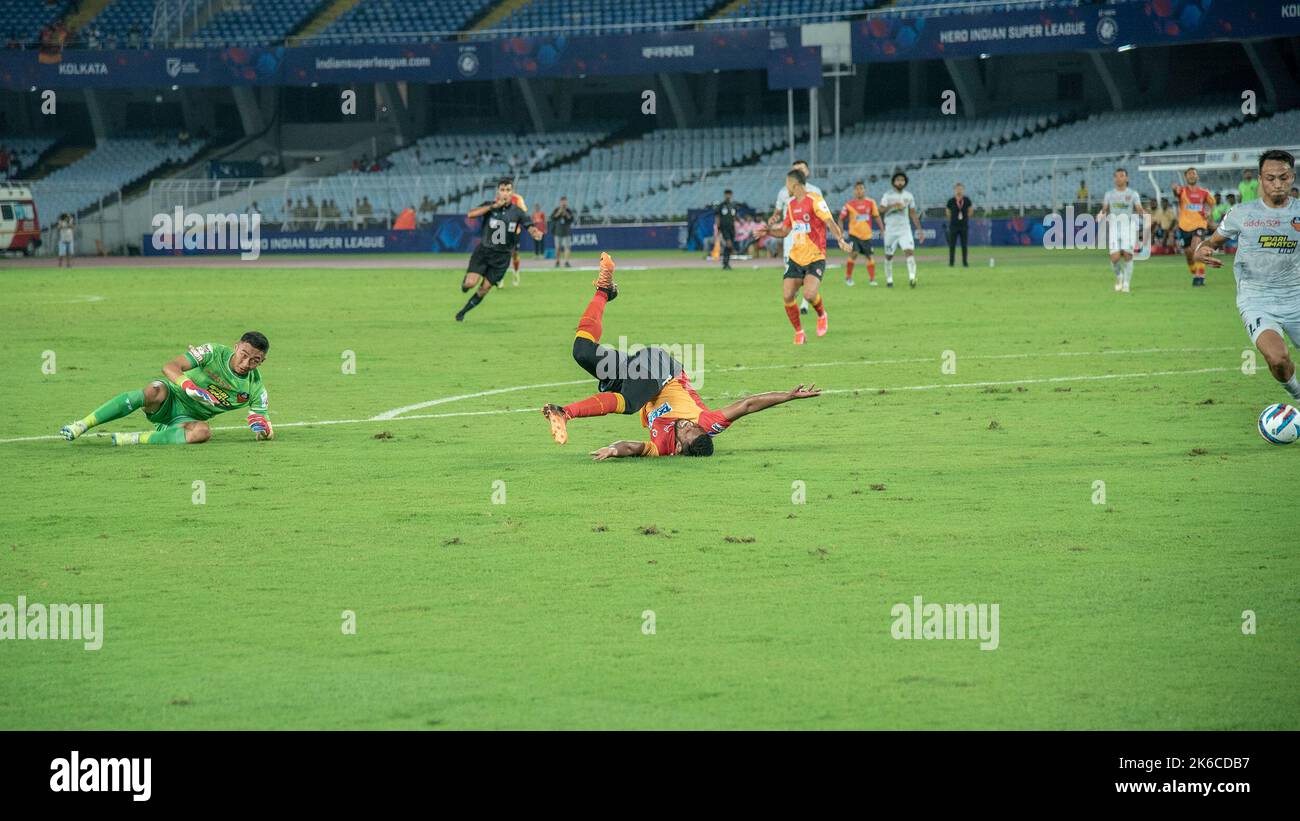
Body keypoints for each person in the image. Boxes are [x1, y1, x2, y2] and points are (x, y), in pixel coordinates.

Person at [541, 253, 822, 458]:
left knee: (582, 352)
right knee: (627, 403)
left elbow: (633, 447)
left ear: (679, 449)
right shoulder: (707, 423)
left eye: (687, 433)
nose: (689, 425)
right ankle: (564, 412)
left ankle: (604, 290)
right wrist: (788, 396)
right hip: (663, 369)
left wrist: (613, 450)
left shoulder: (663, 448)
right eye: (694, 428)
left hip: (638, 376)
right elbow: (748, 405)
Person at [1196, 149, 1300, 403]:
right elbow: (1212, 242)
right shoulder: (1241, 213)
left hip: (1296, 298)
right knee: (1278, 359)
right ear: (1260, 179)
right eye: (1270, 178)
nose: (1277, 183)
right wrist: (1202, 251)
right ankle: (1298, 395)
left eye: (1283, 177)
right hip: (1257, 301)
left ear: (1293, 177)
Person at [59, 333, 272, 446]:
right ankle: (82, 424)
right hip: (169, 398)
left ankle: (136, 439)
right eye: (244, 354)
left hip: (186, 420)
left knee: (203, 433)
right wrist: (188, 386)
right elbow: (169, 367)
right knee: (152, 390)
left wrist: (263, 431)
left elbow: (262, 423)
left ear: (262, 361)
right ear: (236, 346)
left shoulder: (255, 389)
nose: (246, 363)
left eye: (255, 360)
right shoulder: (213, 352)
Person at [763, 169, 851, 345]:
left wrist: (840, 239)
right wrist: (768, 232)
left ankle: (822, 314)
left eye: (787, 183)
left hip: (815, 256)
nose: (785, 187)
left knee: (810, 294)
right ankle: (799, 332)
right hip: (796, 257)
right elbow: (785, 230)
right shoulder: (790, 205)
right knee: (788, 295)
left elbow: (829, 222)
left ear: (794, 184)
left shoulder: (815, 200)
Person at [455, 178, 543, 321]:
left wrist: (535, 232)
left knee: (484, 289)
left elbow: (529, 225)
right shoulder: (489, 206)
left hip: (501, 258)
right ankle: (465, 285)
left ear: (512, 192)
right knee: (470, 283)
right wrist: (492, 207)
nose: (505, 193)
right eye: (502, 190)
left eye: (508, 190)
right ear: (498, 192)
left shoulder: (517, 212)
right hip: (483, 251)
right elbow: (471, 214)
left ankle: (462, 313)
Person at [770, 159, 822, 313]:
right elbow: (778, 212)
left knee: (808, 268)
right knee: (790, 268)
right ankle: (796, 296)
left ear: (807, 172)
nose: (799, 171)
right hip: (790, 235)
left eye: (802, 168)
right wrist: (773, 219)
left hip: (808, 236)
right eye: (795, 169)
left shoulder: (815, 191)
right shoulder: (783, 192)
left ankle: (805, 304)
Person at [1095, 167, 1146, 293]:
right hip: (1114, 227)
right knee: (1115, 258)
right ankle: (1119, 276)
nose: (1119, 178)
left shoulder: (1133, 194)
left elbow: (1138, 208)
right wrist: (1101, 214)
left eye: (1121, 176)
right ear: (1114, 179)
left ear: (1127, 178)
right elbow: (1105, 208)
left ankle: (1126, 284)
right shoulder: (1109, 194)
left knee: (1128, 255)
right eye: (1116, 176)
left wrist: (1144, 215)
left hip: (1128, 227)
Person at [1172, 167, 1216, 286]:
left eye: (1194, 174)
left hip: (1200, 224)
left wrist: (1209, 212)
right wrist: (1174, 189)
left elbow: (1212, 204)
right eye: (1189, 174)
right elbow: (1176, 193)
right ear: (1185, 177)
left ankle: (1200, 275)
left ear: (1197, 177)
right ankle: (1195, 273)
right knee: (1189, 254)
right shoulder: (1182, 191)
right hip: (1184, 226)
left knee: (1196, 247)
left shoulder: (1204, 192)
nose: (1192, 176)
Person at [880, 171, 924, 288]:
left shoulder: (909, 196)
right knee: (889, 255)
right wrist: (893, 206)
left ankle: (912, 278)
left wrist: (919, 230)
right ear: (894, 182)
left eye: (902, 180)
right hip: (890, 230)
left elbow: (913, 214)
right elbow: (881, 210)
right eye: (898, 180)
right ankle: (889, 280)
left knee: (909, 251)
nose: (900, 182)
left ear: (905, 182)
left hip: (905, 229)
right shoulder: (887, 195)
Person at [839, 180, 882, 285]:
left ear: (864, 190)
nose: (859, 191)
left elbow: (876, 216)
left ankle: (872, 279)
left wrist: (882, 229)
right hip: (854, 234)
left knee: (869, 256)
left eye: (861, 188)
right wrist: (840, 233)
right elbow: (840, 219)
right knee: (854, 254)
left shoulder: (871, 202)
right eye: (857, 189)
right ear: (854, 191)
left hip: (867, 235)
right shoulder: (849, 204)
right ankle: (848, 278)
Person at [944, 182, 972, 268]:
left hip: (964, 226)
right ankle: (951, 263)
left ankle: (965, 262)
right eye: (957, 189)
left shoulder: (967, 200)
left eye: (960, 189)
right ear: (954, 190)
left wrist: (966, 218)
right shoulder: (951, 200)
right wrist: (951, 219)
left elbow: (970, 210)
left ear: (963, 190)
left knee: (964, 245)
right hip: (953, 226)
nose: (959, 191)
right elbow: (947, 211)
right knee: (952, 245)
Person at [714, 189, 739, 270]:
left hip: (731, 228)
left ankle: (726, 263)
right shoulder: (721, 205)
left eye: (729, 194)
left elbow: (734, 216)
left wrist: (739, 221)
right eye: (726, 194)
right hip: (724, 228)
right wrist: (718, 228)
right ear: (724, 195)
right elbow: (717, 217)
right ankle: (732, 253)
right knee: (728, 243)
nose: (728, 196)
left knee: (727, 246)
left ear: (731, 195)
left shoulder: (733, 205)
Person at [551, 197, 575, 268]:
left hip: (566, 232)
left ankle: (567, 262)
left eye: (565, 202)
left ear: (566, 203)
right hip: (558, 232)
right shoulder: (556, 210)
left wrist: (565, 213)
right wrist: (559, 212)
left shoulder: (569, 210)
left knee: (567, 247)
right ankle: (557, 261)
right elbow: (552, 218)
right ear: (560, 202)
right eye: (562, 202)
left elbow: (571, 219)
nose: (563, 204)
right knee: (557, 248)